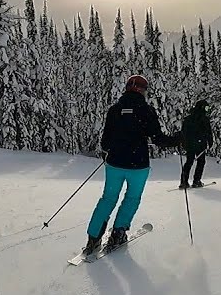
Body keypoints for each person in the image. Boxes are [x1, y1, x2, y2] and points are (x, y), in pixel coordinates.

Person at [84, 74, 181, 255]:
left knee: (108, 198)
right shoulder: (147, 110)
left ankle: (93, 238)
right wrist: (177, 139)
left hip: (114, 164)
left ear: (127, 88)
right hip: (138, 165)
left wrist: (112, 149)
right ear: (143, 91)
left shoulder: (115, 110)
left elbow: (105, 141)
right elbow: (159, 139)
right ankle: (118, 234)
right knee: (132, 198)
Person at [179, 98, 213, 189]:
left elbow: (183, 132)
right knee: (200, 162)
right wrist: (210, 142)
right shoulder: (204, 119)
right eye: (206, 108)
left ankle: (184, 182)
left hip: (190, 144)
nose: (207, 110)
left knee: (189, 162)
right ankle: (196, 181)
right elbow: (208, 132)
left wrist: (183, 142)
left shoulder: (188, 118)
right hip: (200, 144)